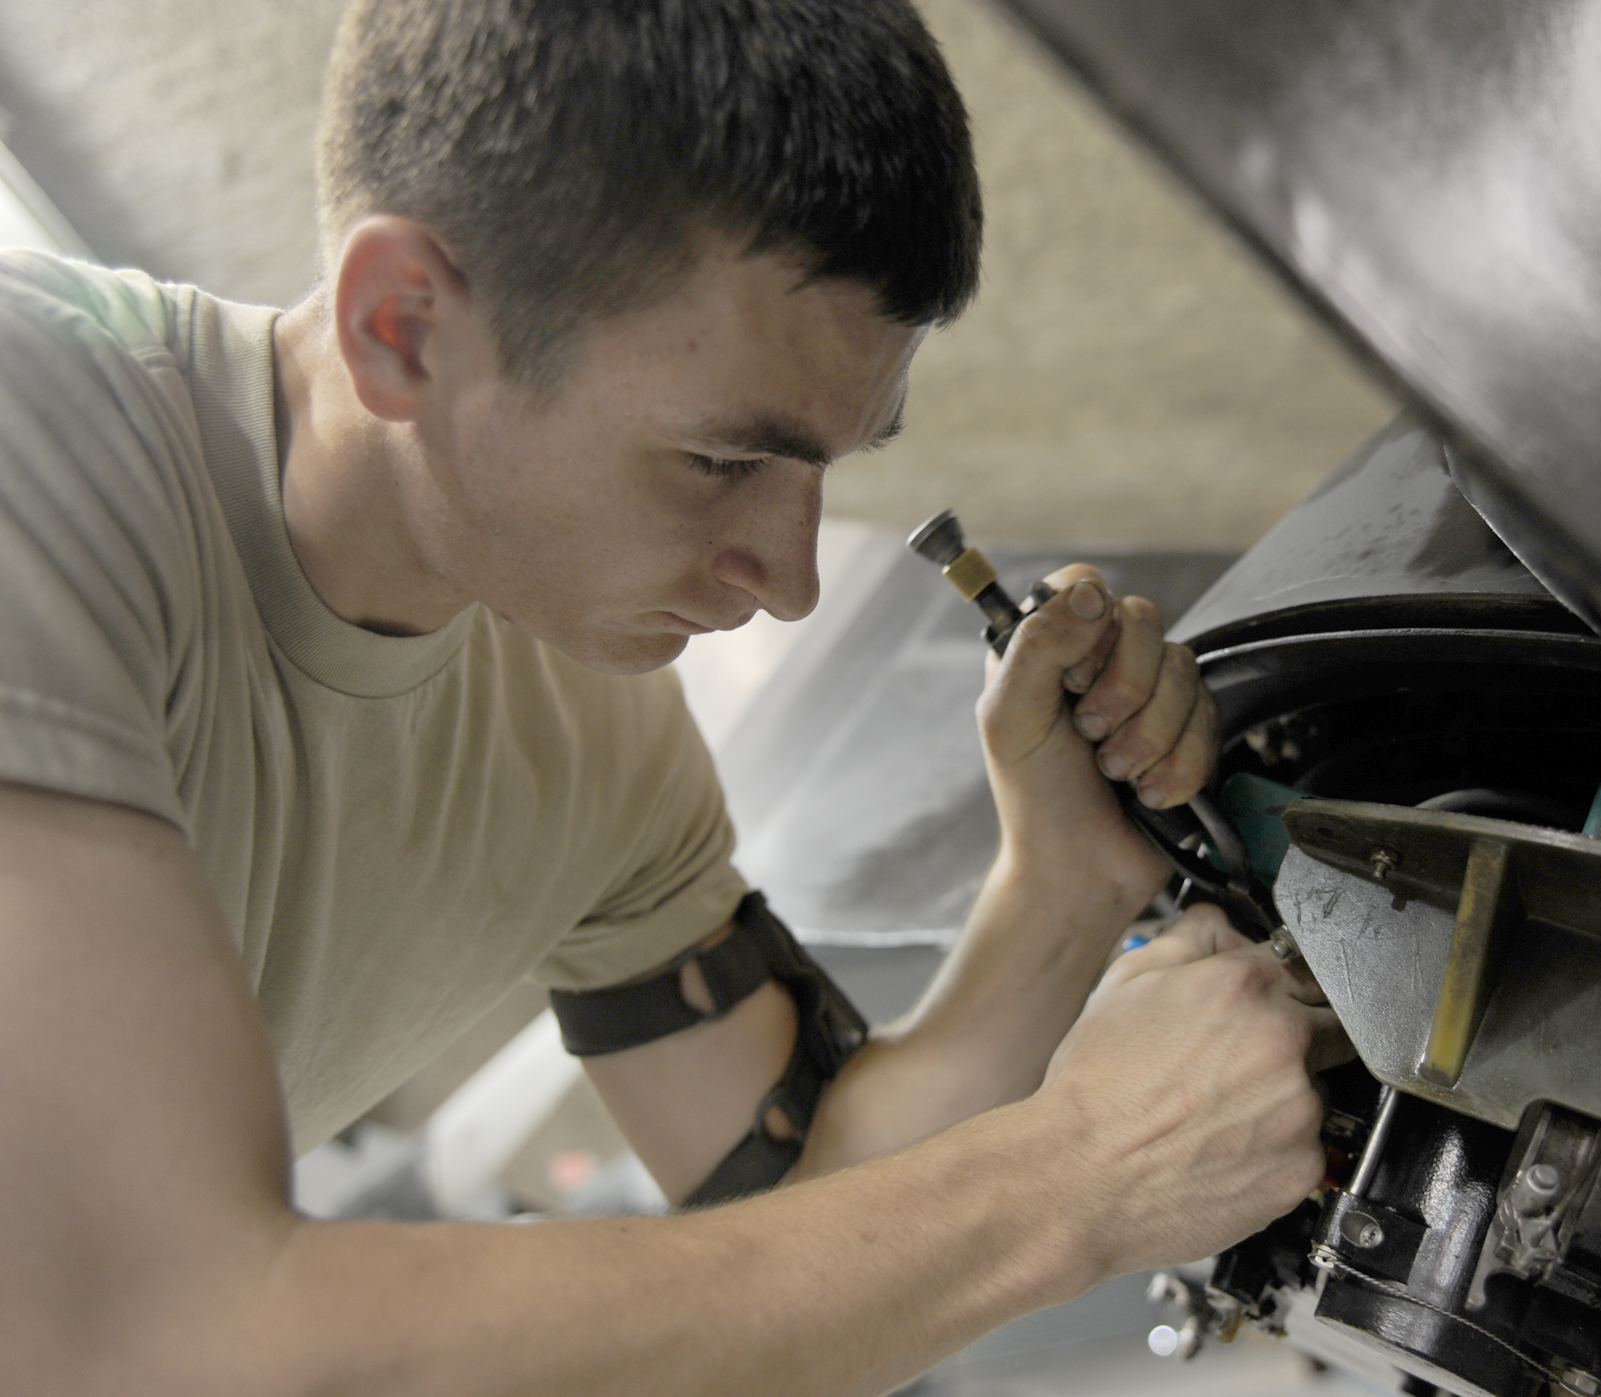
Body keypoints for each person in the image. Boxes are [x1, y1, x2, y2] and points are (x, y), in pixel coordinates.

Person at [0, 1, 1338, 1393]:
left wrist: (1062, 881)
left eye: (825, 466)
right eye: (716, 461)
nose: (791, 577)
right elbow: (136, 1332)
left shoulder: (590, 719)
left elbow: (799, 1223)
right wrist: (1075, 1177)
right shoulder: (37, 441)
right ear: (404, 326)